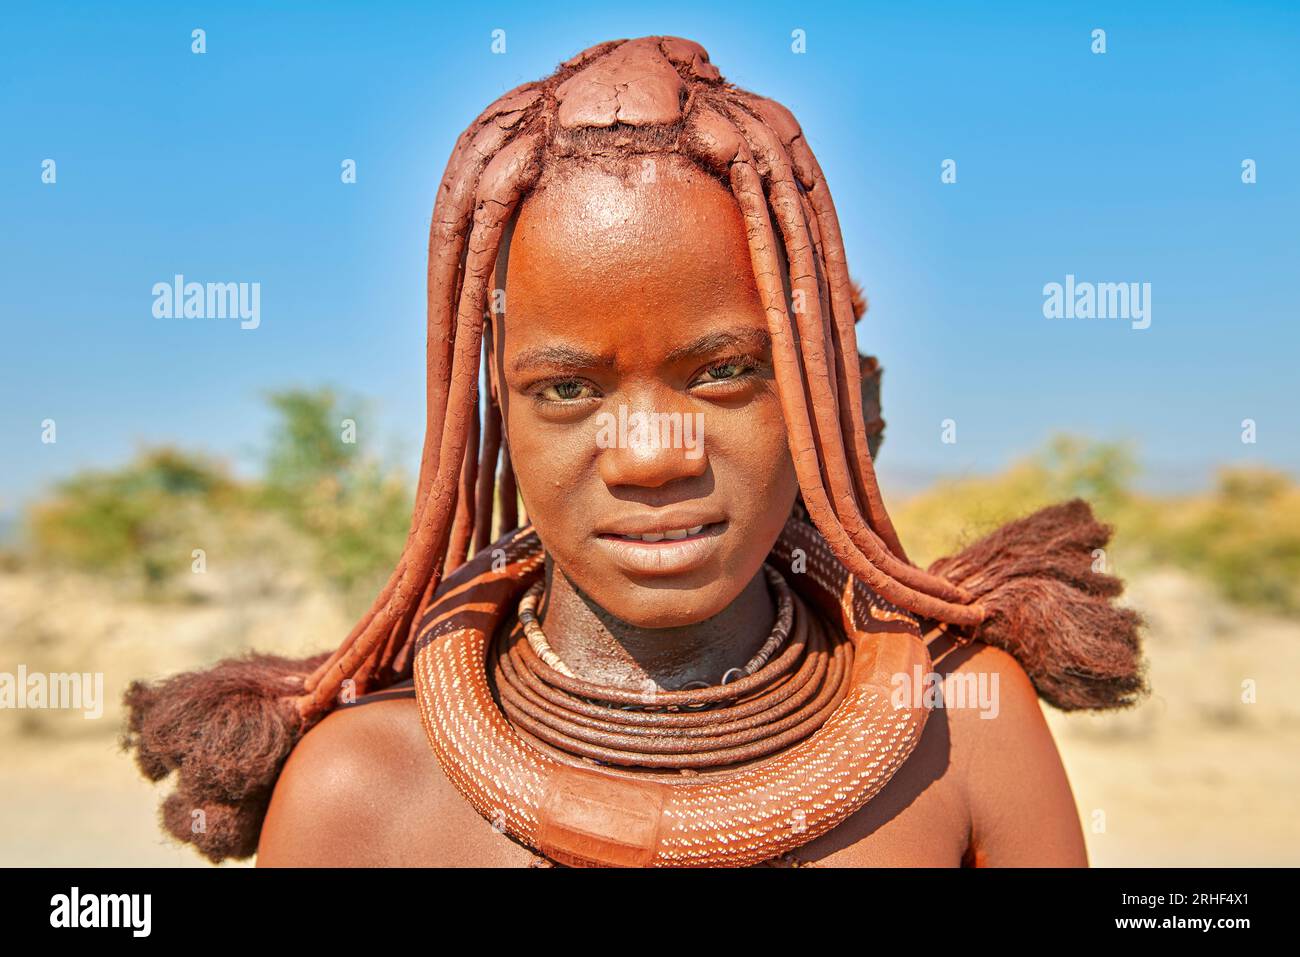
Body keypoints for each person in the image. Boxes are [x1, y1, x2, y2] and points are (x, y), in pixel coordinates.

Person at [123, 36, 1146, 868]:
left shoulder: (963, 735)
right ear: (497, 423)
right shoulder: (364, 794)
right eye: (565, 389)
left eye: (723, 372)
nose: (651, 456)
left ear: (834, 399)